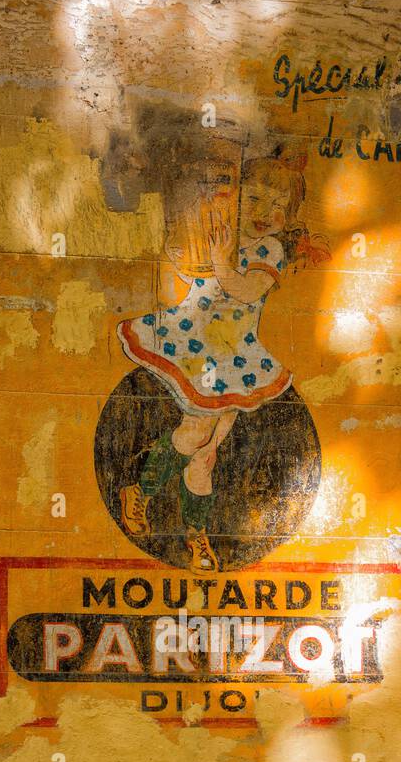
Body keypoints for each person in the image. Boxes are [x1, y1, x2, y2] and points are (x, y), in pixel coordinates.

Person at [117, 152, 328, 571]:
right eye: (255, 201)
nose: (264, 214)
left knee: (205, 458)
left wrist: (220, 260)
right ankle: (140, 491)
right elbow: (182, 262)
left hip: (235, 358)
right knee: (194, 432)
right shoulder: (215, 232)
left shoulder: (269, 249)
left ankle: (196, 536)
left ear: (287, 216)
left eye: (276, 207)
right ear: (237, 198)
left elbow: (246, 290)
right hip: (198, 347)